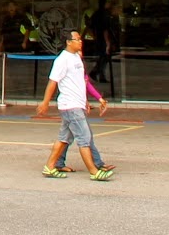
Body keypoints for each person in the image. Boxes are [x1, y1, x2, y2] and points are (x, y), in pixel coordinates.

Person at [35, 30, 112, 181]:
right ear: (68, 42)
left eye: (80, 39)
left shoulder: (77, 57)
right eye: (77, 39)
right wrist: (45, 102)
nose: (80, 41)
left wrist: (86, 101)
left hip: (77, 104)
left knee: (64, 138)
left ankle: (50, 167)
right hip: (70, 106)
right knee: (84, 138)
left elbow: (81, 82)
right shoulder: (62, 60)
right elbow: (53, 82)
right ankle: (93, 171)